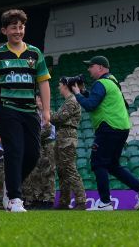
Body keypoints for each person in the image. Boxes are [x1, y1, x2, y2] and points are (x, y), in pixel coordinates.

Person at [0, 9, 50, 213]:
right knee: (15, 150)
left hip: (29, 111)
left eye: (21, 27)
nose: (18, 31)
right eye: (13, 27)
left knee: (33, 154)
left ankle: (11, 188)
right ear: (4, 30)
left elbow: (43, 83)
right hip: (6, 109)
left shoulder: (35, 53)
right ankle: (16, 199)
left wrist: (45, 111)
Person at [72, 55, 139, 211]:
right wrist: (84, 91)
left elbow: (90, 106)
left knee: (98, 163)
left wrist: (77, 93)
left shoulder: (100, 83)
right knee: (112, 165)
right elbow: (102, 100)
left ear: (100, 68)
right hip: (121, 127)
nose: (89, 69)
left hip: (108, 127)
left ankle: (105, 203)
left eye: (91, 66)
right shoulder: (112, 81)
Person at [53, 81, 86, 209]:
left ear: (65, 86)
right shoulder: (67, 101)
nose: (58, 87)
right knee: (62, 171)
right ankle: (64, 201)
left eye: (59, 85)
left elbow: (58, 118)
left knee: (70, 169)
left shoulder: (72, 100)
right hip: (62, 137)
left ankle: (81, 201)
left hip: (67, 138)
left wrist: (46, 111)